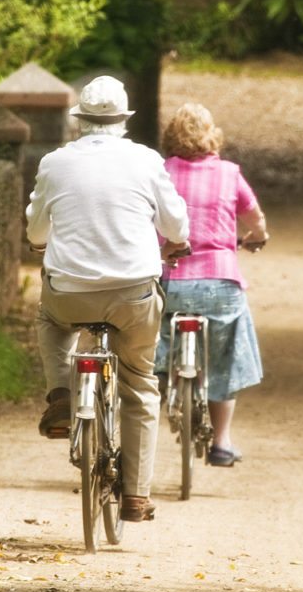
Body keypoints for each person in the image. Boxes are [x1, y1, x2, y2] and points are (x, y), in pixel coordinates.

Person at [26, 75, 189, 523]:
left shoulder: (55, 162)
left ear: (79, 120)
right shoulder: (146, 160)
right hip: (133, 294)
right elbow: (176, 225)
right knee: (138, 382)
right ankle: (136, 496)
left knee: (50, 321)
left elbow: (36, 230)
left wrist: (45, 243)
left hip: (69, 292)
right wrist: (176, 241)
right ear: (123, 119)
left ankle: (61, 393)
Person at [155, 102, 268, 467]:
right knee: (225, 356)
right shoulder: (230, 173)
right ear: (211, 135)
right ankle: (221, 442)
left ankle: (158, 388)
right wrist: (256, 236)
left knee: (152, 341)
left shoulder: (160, 171)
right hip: (220, 281)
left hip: (169, 278)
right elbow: (255, 218)